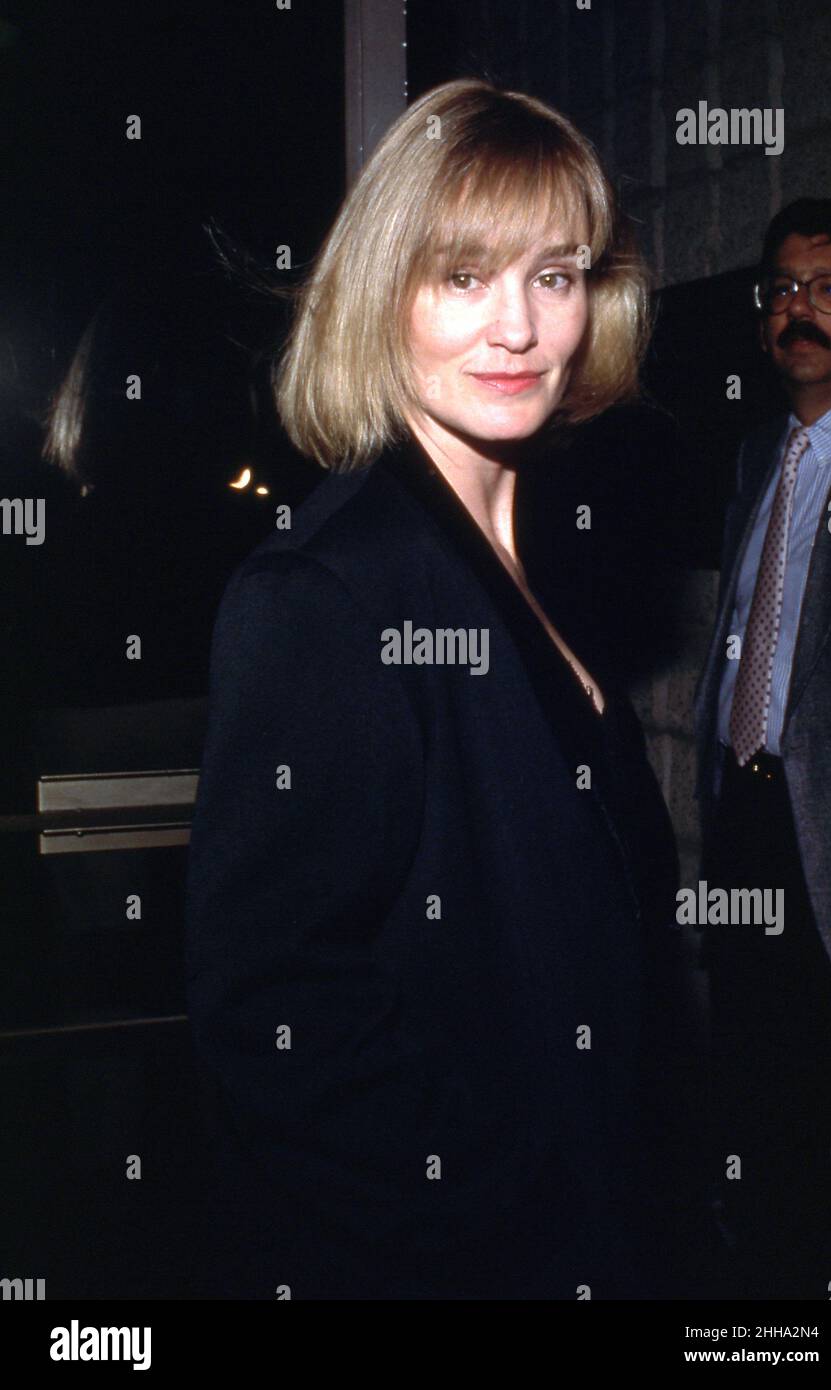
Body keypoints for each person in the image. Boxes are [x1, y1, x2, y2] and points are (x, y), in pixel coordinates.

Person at [184, 78, 684, 1300]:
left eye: (552, 275)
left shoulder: (539, 559)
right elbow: (276, 1022)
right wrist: (505, 1224)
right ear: (381, 294)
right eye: (461, 276)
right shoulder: (328, 592)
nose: (515, 328)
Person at [695, 198, 831, 1300]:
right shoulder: (756, 452)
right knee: (765, 1136)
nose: (797, 310)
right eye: (780, 291)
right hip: (753, 837)